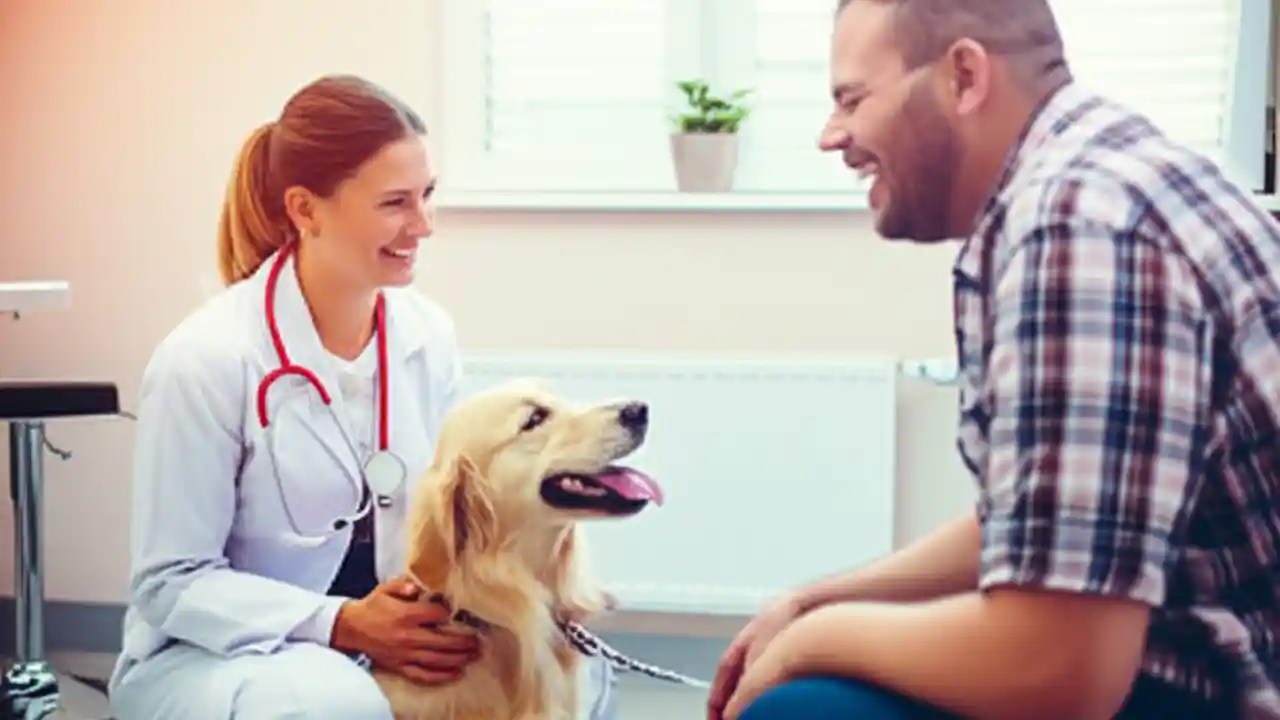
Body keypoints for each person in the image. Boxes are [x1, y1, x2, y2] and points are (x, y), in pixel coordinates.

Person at [707, 1, 1280, 719]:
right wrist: (815, 602)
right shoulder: (1105, 173)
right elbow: (1057, 521)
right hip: (1191, 636)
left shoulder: (1081, 229)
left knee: (801, 711)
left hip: (1223, 687)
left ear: (965, 77)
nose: (833, 136)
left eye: (853, 99)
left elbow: (1061, 670)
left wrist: (809, 643)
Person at [107, 74, 616, 719]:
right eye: (394, 202)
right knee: (337, 707)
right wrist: (339, 622)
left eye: (428, 195)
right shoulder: (206, 358)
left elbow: (442, 518)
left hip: (392, 634)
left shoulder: (426, 335)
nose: (424, 225)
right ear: (305, 209)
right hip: (223, 654)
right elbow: (169, 584)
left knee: (575, 676)